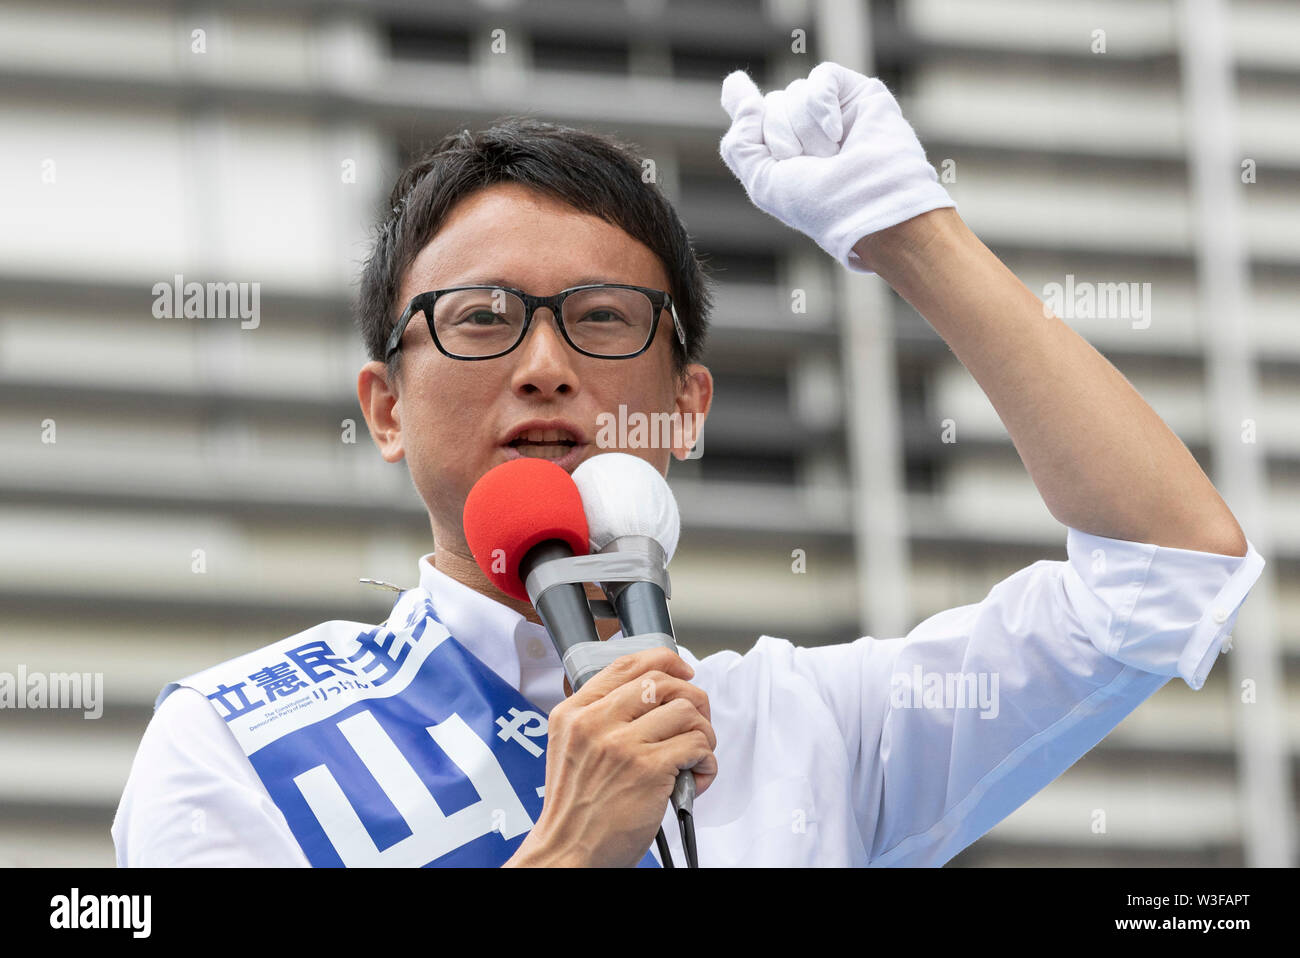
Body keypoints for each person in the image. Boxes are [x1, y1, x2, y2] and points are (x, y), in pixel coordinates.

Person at [112, 61, 1264, 868]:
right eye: (480, 319)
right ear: (386, 407)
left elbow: (1161, 570)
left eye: (605, 319)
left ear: (687, 407)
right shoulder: (236, 738)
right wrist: (568, 850)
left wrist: (910, 233)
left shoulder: (798, 727)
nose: (547, 364)